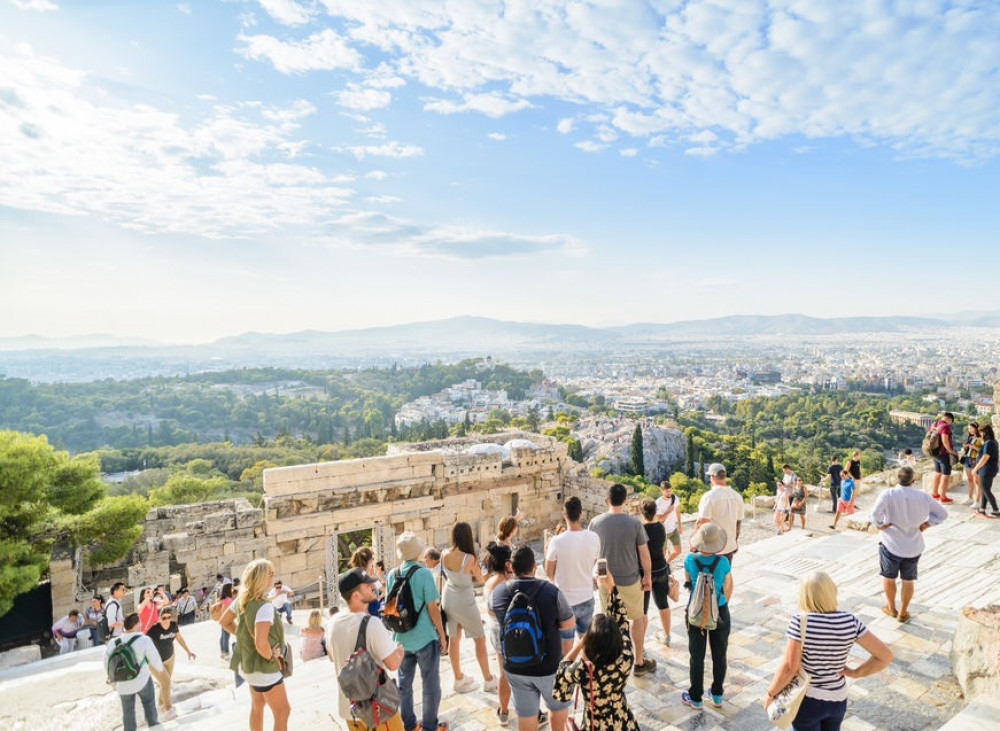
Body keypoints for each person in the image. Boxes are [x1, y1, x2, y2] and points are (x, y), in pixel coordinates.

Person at [763, 572, 893, 731]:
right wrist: (856, 673)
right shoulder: (850, 621)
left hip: (806, 699)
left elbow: (790, 667)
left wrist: (770, 694)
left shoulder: (800, 621)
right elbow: (885, 656)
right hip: (838, 699)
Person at [491, 545, 575, 731]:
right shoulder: (551, 592)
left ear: (511, 567)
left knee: (526, 716)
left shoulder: (498, 593)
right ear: (534, 566)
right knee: (557, 707)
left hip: (515, 666)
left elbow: (492, 614)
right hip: (549, 665)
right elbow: (569, 624)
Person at [552, 572, 639, 730]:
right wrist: (612, 586)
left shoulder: (583, 670)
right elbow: (622, 620)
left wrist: (579, 644)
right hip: (622, 720)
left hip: (596, 724)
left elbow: (561, 678)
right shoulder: (626, 656)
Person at [588, 483, 655, 676]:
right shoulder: (634, 523)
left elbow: (592, 554)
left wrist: (592, 575)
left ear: (607, 500)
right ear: (625, 500)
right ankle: (639, 661)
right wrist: (647, 576)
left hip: (605, 580)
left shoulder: (595, 523)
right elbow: (644, 554)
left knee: (609, 621)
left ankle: (612, 659)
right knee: (637, 619)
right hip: (630, 580)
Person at [327, 567, 405, 731]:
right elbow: (393, 664)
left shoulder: (333, 622)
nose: (373, 586)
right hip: (377, 709)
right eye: (367, 585)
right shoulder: (372, 624)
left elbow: (332, 657)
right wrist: (399, 652)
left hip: (350, 708)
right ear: (355, 595)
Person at [220, 559, 291, 731]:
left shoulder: (241, 601)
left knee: (257, 707)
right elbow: (261, 644)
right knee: (283, 712)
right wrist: (271, 656)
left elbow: (224, 621)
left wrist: (242, 636)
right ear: (262, 578)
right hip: (265, 670)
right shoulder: (264, 607)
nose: (273, 577)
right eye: (270, 574)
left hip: (249, 667)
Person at [388, 532, 449, 731]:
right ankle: (430, 725)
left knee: (404, 685)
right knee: (430, 685)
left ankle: (409, 724)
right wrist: (442, 634)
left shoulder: (392, 574)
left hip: (401, 640)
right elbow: (433, 608)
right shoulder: (424, 574)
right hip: (424, 638)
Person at [871, 466, 948, 623]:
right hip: (913, 545)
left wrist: (880, 525)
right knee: (908, 580)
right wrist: (927, 524)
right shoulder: (923, 497)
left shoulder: (888, 494)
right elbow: (943, 514)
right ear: (913, 480)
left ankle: (891, 608)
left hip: (890, 543)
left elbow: (874, 515)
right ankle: (903, 613)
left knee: (889, 577)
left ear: (897, 479)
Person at [681, 523, 733, 710]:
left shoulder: (689, 559)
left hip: (695, 614)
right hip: (719, 613)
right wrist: (719, 604)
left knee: (697, 656)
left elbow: (688, 583)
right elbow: (728, 586)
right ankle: (717, 695)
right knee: (719, 655)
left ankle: (696, 697)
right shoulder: (724, 562)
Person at [441, 522, 497, 693]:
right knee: (479, 639)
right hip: (465, 600)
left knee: (454, 638)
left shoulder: (444, 554)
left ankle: (458, 678)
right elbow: (480, 579)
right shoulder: (469, 558)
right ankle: (488, 679)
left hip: (448, 597)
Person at [544, 496, 601, 639]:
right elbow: (593, 562)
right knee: (586, 644)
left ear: (564, 516)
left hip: (565, 601)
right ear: (581, 515)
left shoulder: (556, 541)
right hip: (587, 597)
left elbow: (548, 572)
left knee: (565, 646)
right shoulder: (594, 538)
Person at [107, 612, 163, 731]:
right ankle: (154, 727)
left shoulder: (113, 643)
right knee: (149, 704)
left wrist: (111, 678)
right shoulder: (144, 639)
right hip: (141, 680)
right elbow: (155, 657)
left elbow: (107, 663)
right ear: (136, 625)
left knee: (127, 711)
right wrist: (160, 669)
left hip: (122, 684)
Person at [146, 606, 196, 720]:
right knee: (166, 682)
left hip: (170, 658)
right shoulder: (154, 629)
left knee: (165, 683)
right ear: (159, 618)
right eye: (164, 618)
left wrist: (188, 651)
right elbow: (144, 643)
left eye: (169, 617)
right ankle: (169, 708)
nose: (167, 620)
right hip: (156, 663)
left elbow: (179, 638)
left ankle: (160, 704)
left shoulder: (173, 625)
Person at [483, 542, 514, 727]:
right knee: (514, 673)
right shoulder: (506, 585)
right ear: (507, 563)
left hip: (494, 630)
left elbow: (489, 611)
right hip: (507, 630)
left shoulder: (489, 582)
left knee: (503, 672)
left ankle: (503, 711)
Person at [640, 498, 674, 647]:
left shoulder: (640, 530)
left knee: (642, 610)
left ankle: (640, 645)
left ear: (642, 513)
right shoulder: (661, 527)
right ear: (655, 512)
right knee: (663, 604)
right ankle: (667, 635)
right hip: (661, 568)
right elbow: (663, 549)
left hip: (645, 572)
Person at [695, 463, 744, 566]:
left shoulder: (709, 497)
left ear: (712, 477)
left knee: (708, 579)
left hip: (712, 547)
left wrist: (695, 543)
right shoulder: (737, 496)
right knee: (726, 577)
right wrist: (734, 541)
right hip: (729, 545)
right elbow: (738, 523)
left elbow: (702, 522)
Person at [927, 413, 959, 503]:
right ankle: (943, 497)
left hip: (935, 452)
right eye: (951, 422)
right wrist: (951, 451)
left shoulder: (934, 424)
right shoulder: (945, 427)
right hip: (944, 454)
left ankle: (934, 493)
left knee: (937, 473)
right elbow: (945, 440)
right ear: (949, 419)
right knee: (945, 475)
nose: (950, 424)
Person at [973, 423, 999, 517]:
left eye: (980, 431)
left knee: (986, 490)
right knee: (985, 489)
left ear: (984, 432)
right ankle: (982, 509)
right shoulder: (992, 441)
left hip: (987, 469)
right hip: (989, 469)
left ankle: (996, 510)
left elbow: (985, 458)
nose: (979, 434)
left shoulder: (989, 443)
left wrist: (975, 468)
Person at [654, 481, 683, 565]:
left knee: (678, 551)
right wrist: (668, 511)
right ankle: (662, 569)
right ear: (662, 491)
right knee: (662, 554)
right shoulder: (658, 503)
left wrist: (679, 525)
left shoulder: (675, 498)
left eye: (670, 490)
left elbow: (677, 511)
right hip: (663, 532)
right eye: (667, 491)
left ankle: (667, 562)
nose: (669, 493)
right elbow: (659, 519)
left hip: (673, 529)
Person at [350, 547, 384, 617]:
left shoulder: (351, 578)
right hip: (371, 619)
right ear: (370, 561)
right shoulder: (371, 580)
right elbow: (385, 590)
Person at [961, 422, 983, 506]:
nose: (969, 430)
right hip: (967, 459)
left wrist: (974, 447)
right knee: (970, 480)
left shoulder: (981, 438)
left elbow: (984, 451)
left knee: (976, 481)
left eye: (971, 428)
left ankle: (977, 501)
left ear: (976, 428)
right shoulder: (970, 437)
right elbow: (968, 449)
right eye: (968, 428)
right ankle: (970, 498)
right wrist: (965, 446)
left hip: (976, 460)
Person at [217, 582, 235, 658]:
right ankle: (226, 652)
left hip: (222, 618)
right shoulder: (228, 599)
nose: (233, 589)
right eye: (232, 588)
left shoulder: (221, 599)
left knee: (223, 635)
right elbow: (225, 609)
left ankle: (222, 652)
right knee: (226, 636)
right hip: (226, 619)